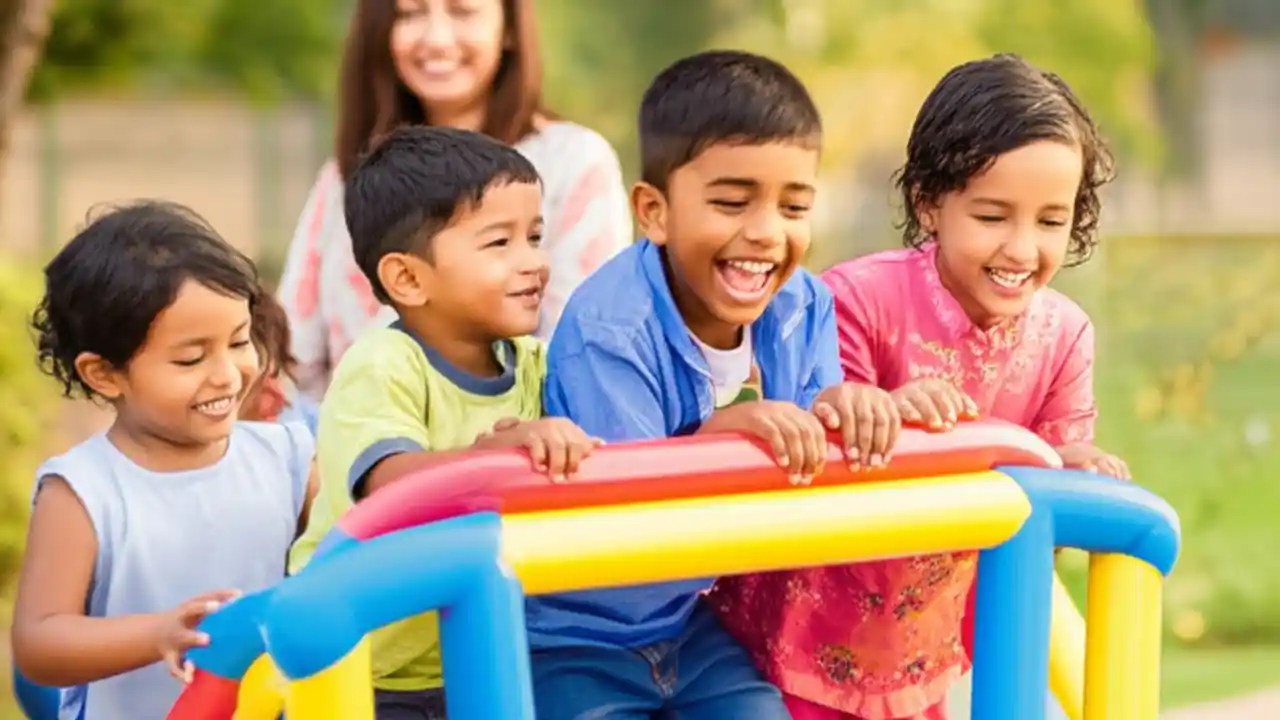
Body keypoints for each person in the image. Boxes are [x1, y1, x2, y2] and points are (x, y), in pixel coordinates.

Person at [709, 54, 1130, 720]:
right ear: (929, 203)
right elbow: (814, 427)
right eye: (993, 217)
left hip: (919, 651)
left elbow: (1044, 505)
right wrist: (890, 417)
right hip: (796, 635)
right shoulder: (859, 298)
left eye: (1050, 221)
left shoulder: (1064, 336)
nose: (1022, 249)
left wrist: (1074, 472)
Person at [532, 50, 900, 720]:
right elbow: (631, 518)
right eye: (732, 202)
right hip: (570, 636)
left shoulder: (802, 306)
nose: (765, 233)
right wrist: (717, 439)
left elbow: (816, 454)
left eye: (794, 206)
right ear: (655, 212)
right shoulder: (609, 329)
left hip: (686, 624)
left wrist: (846, 405)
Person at [289, 125, 601, 720]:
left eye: (535, 237)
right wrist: (499, 458)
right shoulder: (383, 364)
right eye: (499, 243)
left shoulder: (538, 364)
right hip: (359, 659)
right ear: (407, 278)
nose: (535, 262)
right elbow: (391, 483)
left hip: (478, 645)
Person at [11, 202, 316, 720]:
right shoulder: (85, 491)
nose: (226, 374)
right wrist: (157, 633)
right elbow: (39, 644)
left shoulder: (287, 458)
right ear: (105, 374)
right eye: (191, 358)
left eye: (239, 341)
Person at [277, 0, 633, 401]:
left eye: (462, 12)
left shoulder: (573, 161)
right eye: (410, 14)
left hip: (507, 450)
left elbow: (579, 351)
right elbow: (292, 359)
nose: (437, 39)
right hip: (350, 449)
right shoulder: (344, 176)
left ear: (509, 28)